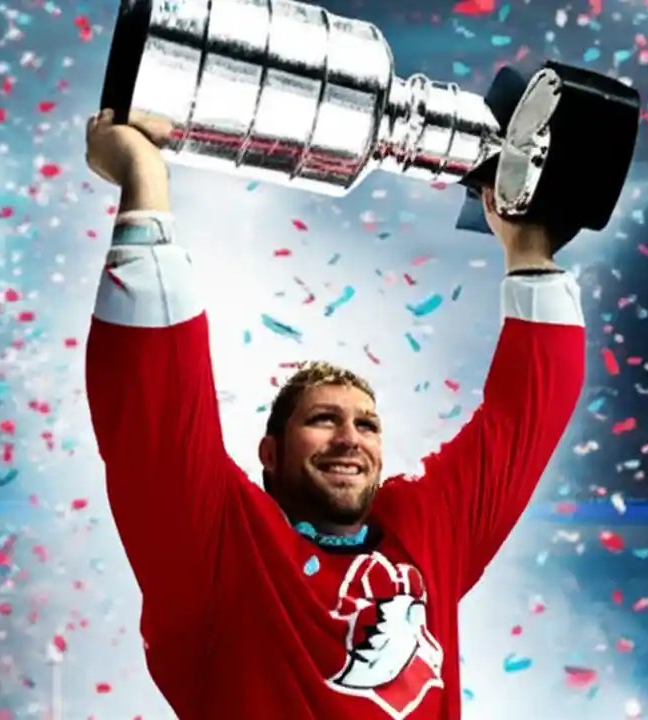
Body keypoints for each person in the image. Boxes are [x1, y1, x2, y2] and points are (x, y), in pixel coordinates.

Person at [83, 106, 586, 719]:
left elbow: (523, 418)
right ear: (269, 452)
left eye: (367, 424)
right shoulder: (221, 548)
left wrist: (527, 243)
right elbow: (151, 408)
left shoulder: (424, 532)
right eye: (323, 420)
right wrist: (145, 180)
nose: (351, 438)